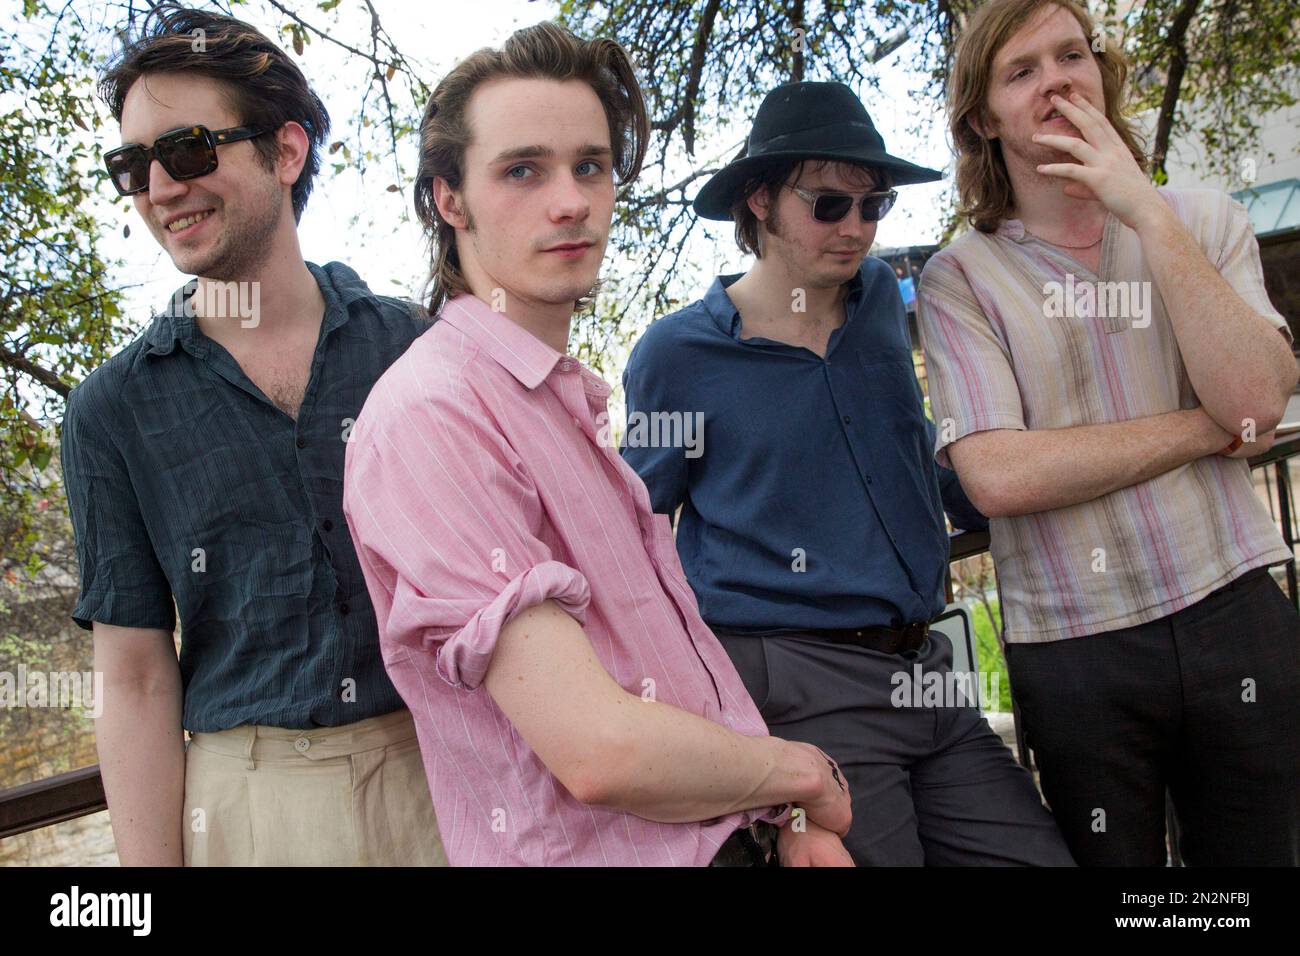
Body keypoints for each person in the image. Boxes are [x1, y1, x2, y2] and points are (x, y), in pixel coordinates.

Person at [342, 23, 853, 867]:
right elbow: (600, 751)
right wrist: (802, 777)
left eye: (591, 165)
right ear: (448, 200)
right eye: (522, 170)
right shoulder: (434, 415)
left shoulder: (552, 399)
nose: (572, 199)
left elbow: (670, 670)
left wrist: (778, 816)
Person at [622, 80, 1075, 866]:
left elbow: (904, 451)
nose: (857, 228)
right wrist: (724, 738)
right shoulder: (678, 357)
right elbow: (634, 533)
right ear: (759, 200)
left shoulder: (877, 303)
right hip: (800, 684)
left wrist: (1005, 479)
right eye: (829, 205)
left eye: (876, 207)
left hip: (928, 672)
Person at [918, 0, 1300, 865]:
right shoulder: (962, 279)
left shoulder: (1201, 221)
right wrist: (1202, 431)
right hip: (1076, 643)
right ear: (983, 114)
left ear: (1101, 71)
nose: (1056, 79)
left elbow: (1252, 403)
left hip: (1232, 605)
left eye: (1072, 56)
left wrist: (1147, 213)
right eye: (1022, 70)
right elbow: (999, 477)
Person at [62, 6, 446, 865]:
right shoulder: (110, 412)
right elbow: (132, 677)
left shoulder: (420, 349)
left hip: (451, 779)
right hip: (248, 810)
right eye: (134, 166)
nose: (161, 189)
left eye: (189, 149)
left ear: (286, 150)